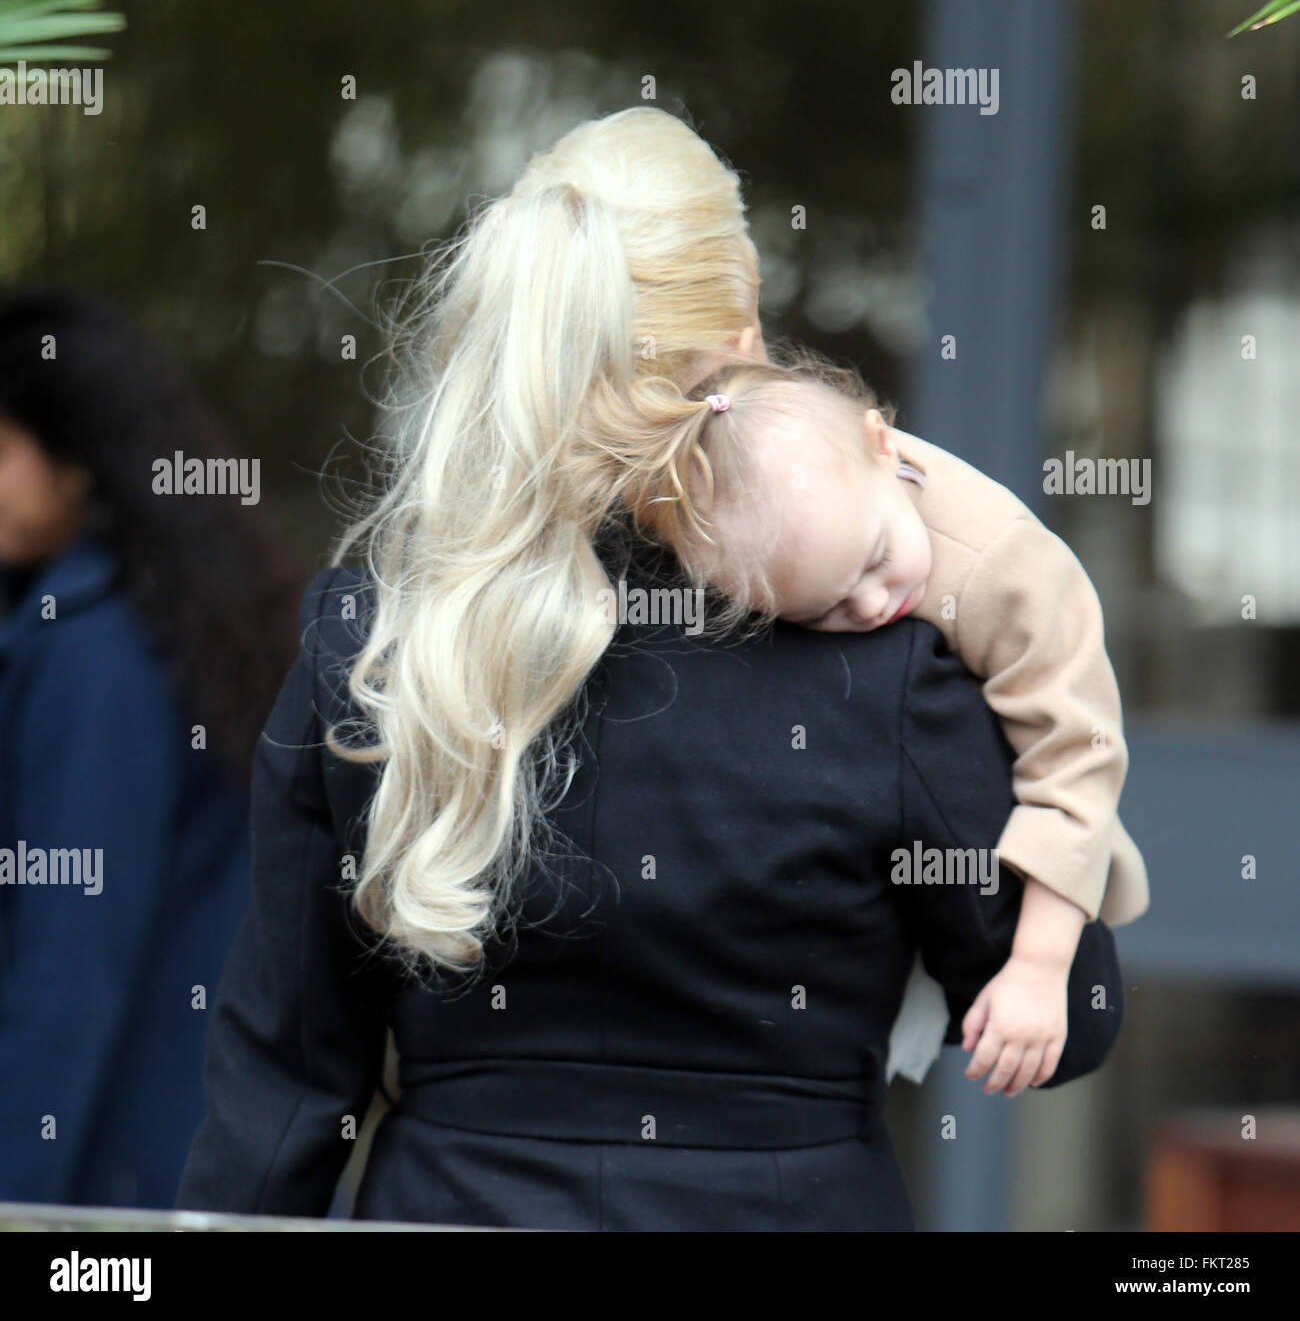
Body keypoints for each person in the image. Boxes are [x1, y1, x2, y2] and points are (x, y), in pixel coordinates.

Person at [175, 107, 1125, 1229]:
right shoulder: (889, 660)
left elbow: (285, 1085)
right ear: (744, 336)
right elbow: (1071, 1020)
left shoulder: (378, 649)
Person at [600, 348, 1150, 1090]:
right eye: (820, 612)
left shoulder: (1008, 569)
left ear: (883, 448)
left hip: (1041, 833)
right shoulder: (781, 497)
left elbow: (1078, 763)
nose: (868, 605)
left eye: (876, 559)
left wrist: (1038, 968)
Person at [0, 286, 303, 1209]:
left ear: (75, 467)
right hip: (214, 1170)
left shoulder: (94, 651)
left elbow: (68, 971)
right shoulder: (190, 628)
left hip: (110, 1199)